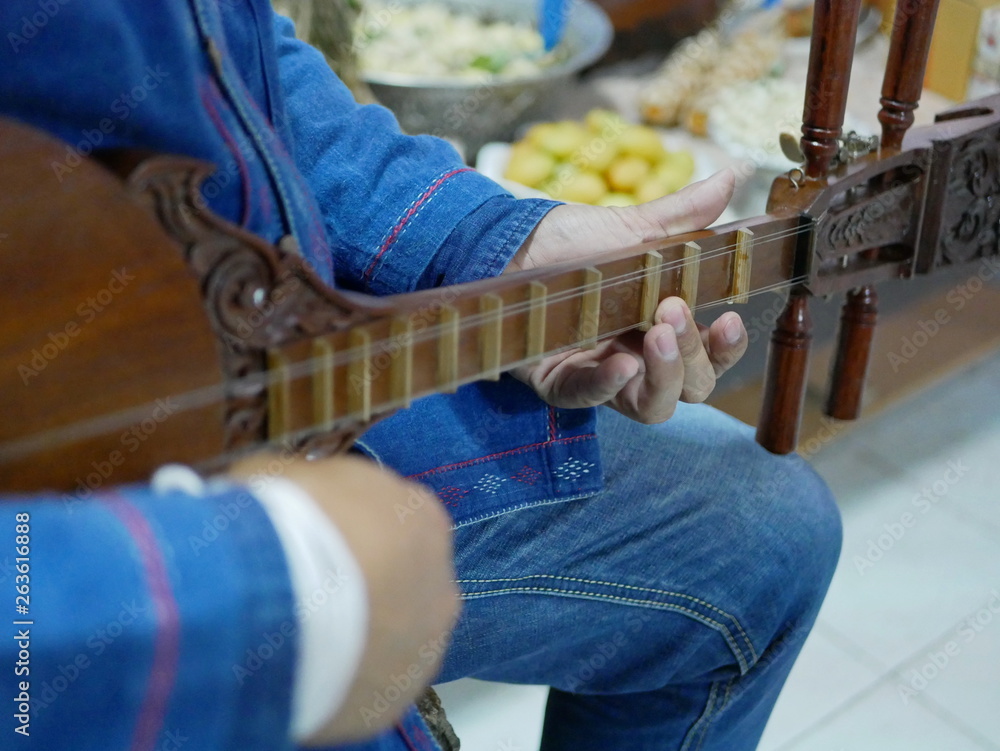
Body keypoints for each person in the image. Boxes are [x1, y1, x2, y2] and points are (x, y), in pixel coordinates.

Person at [0, 2, 842, 749]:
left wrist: (489, 244)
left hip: (220, 375)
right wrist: (272, 586)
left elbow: (233, 62)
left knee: (761, 529)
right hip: (70, 579)